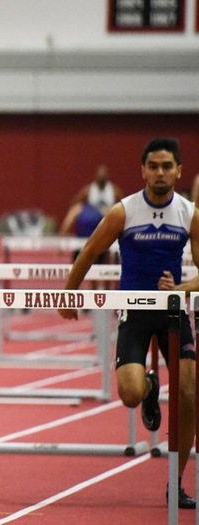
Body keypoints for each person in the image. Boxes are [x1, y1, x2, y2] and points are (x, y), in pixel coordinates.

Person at [59, 137, 196, 509]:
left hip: (172, 312)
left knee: (189, 395)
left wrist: (181, 287)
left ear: (178, 171)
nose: (160, 173)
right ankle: (149, 386)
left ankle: (175, 482)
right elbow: (90, 250)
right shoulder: (125, 211)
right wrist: (68, 293)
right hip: (133, 313)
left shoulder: (189, 212)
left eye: (167, 166)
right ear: (143, 171)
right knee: (130, 394)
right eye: (153, 166)